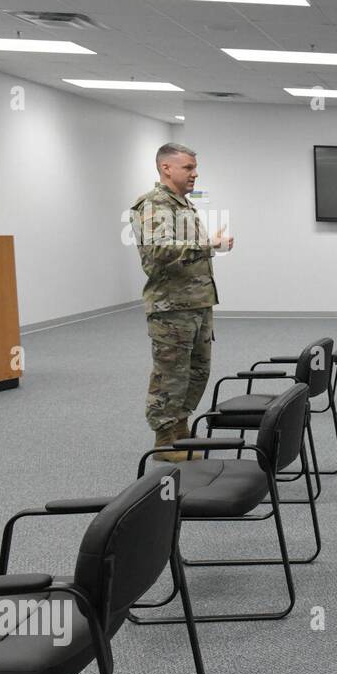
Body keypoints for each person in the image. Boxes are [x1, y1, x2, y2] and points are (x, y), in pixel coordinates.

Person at [133, 142, 233, 462]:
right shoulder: (152, 204)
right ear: (166, 168)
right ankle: (164, 441)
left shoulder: (184, 204)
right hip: (171, 307)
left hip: (197, 304)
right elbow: (159, 251)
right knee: (171, 374)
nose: (195, 173)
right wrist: (209, 244)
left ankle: (181, 430)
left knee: (197, 371)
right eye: (188, 167)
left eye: (194, 167)